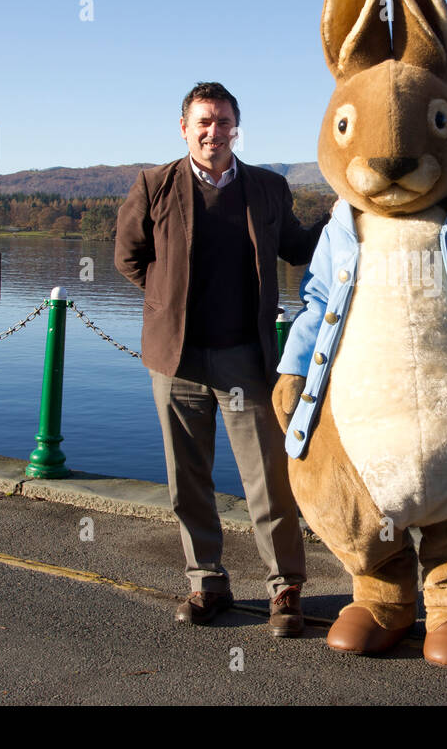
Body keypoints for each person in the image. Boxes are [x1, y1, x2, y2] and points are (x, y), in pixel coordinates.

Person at [114, 81, 327, 637]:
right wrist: (168, 306)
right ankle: (207, 583)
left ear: (237, 127)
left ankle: (285, 590)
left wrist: (346, 212)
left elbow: (298, 247)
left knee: (269, 480)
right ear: (184, 128)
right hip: (177, 360)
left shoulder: (269, 187)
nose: (214, 132)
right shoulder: (154, 185)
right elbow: (129, 258)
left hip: (245, 359)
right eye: (204, 122)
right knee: (189, 480)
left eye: (224, 121)